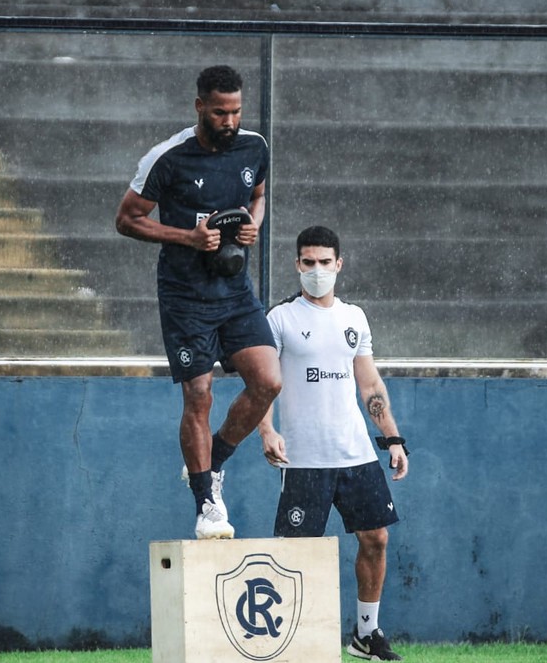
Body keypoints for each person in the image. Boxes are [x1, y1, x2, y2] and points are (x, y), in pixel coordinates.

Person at [115, 65, 282, 539]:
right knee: (199, 395)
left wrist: (254, 221)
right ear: (199, 108)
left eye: (235, 111)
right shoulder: (166, 159)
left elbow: (260, 193)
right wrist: (186, 237)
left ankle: (213, 464)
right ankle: (207, 501)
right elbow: (126, 220)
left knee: (269, 381)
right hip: (185, 296)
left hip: (235, 292)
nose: (229, 121)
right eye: (219, 112)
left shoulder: (255, 146)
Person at [259, 225, 409, 662]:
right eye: (309, 263)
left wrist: (393, 438)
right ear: (297, 265)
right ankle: (289, 644)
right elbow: (263, 384)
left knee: (376, 538)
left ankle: (366, 634)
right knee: (295, 555)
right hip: (304, 460)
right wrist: (267, 431)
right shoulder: (280, 319)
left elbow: (370, 385)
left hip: (357, 454)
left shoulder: (354, 317)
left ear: (339, 265)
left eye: (325, 263)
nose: (317, 271)